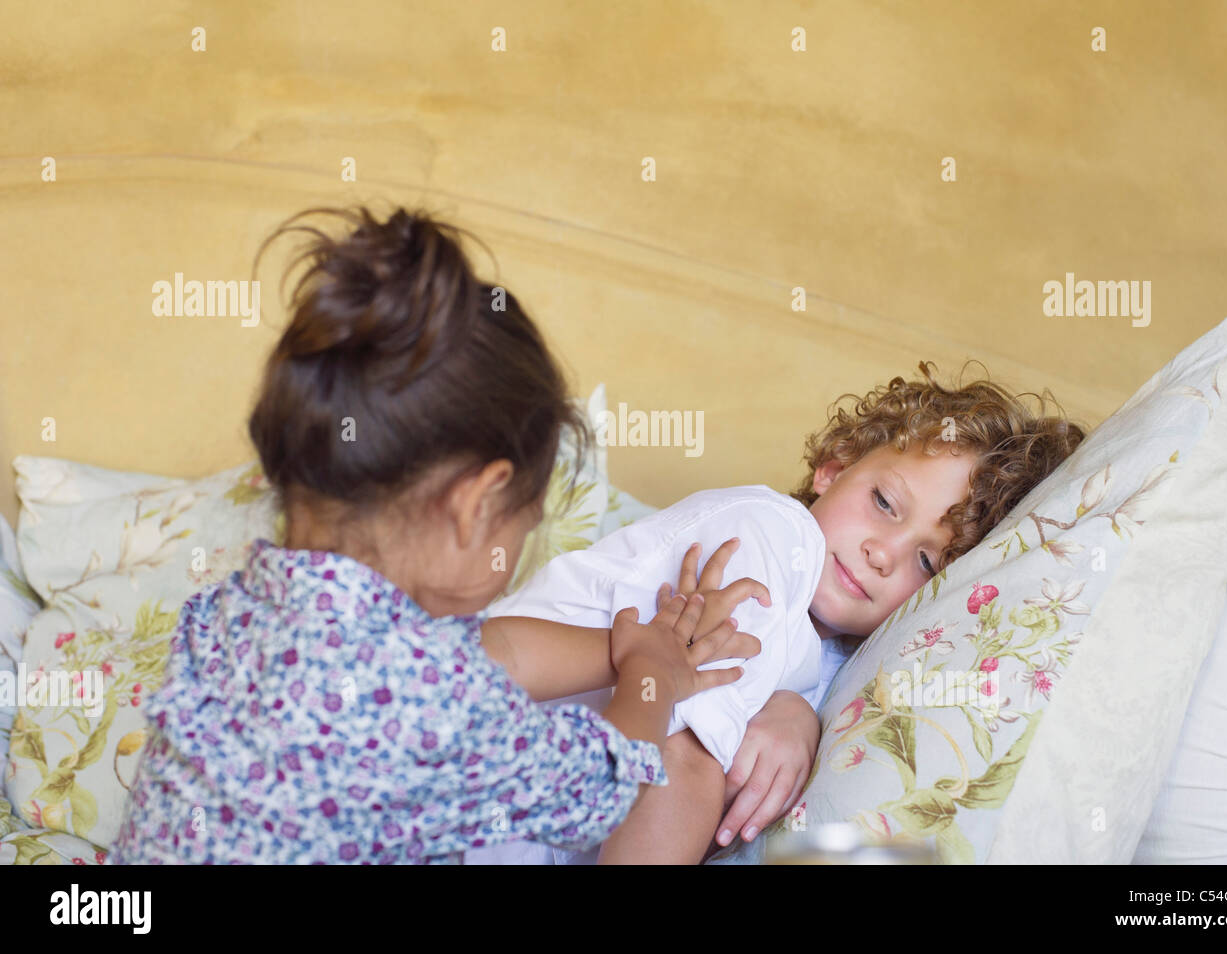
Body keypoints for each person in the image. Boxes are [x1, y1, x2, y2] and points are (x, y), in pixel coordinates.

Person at [110, 206, 767, 864]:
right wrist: (654, 675)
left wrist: (637, 642)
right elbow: (599, 784)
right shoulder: (433, 705)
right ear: (475, 503)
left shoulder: (227, 612)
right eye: (525, 522)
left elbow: (493, 650)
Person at [472, 361, 1086, 864]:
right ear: (834, 467)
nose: (883, 552)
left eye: (926, 563)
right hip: (464, 765)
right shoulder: (774, 536)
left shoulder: (845, 660)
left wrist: (797, 715)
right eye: (883, 502)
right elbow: (683, 758)